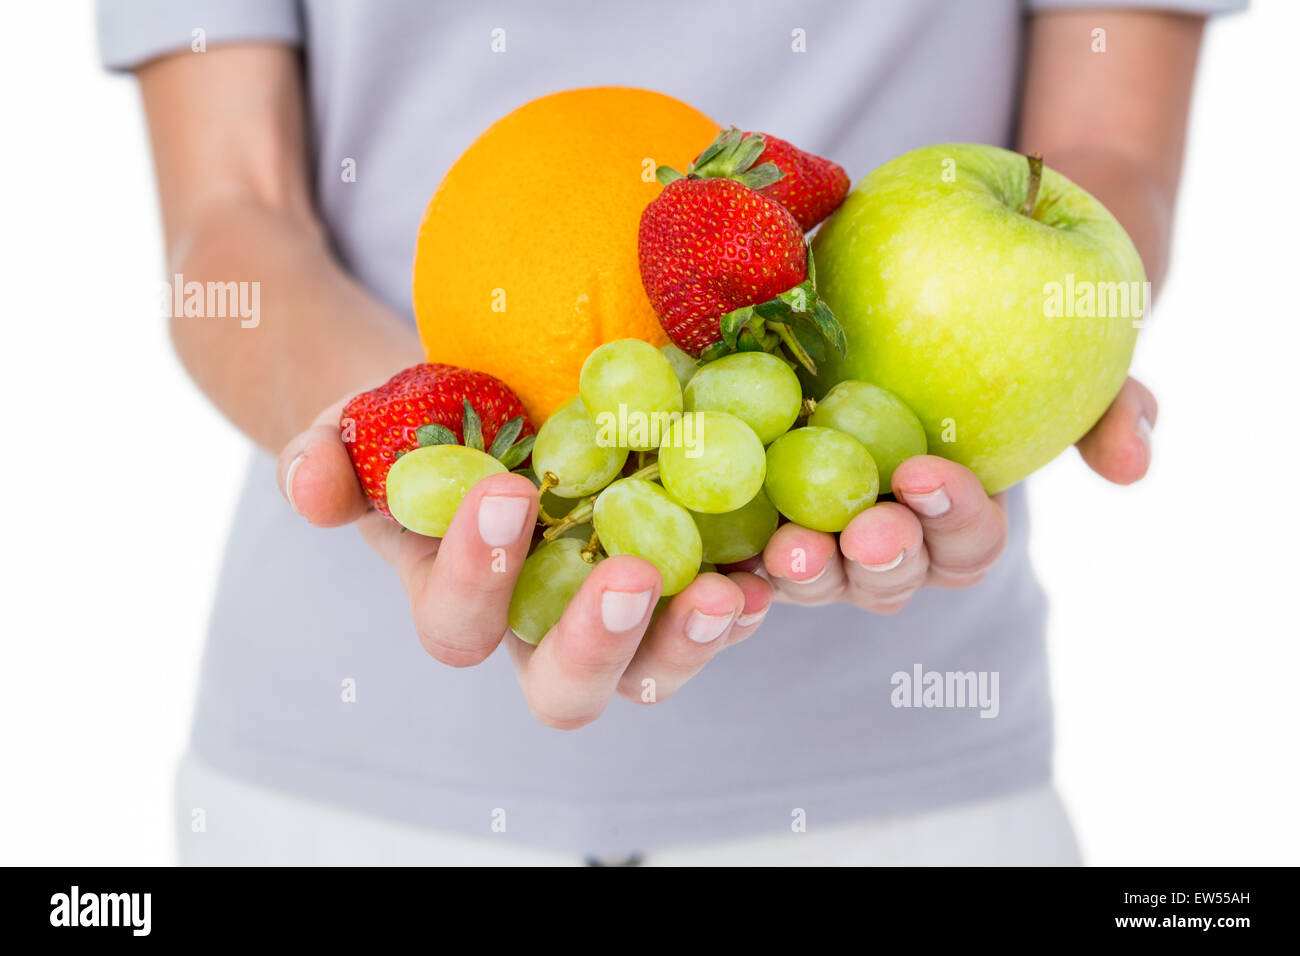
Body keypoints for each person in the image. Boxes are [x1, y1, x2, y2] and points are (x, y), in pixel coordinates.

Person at [99, 0, 1242, 866]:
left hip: (907, 788)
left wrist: (1067, 327)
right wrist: (403, 437)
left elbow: (1106, 164)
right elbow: (231, 214)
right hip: (336, 788)